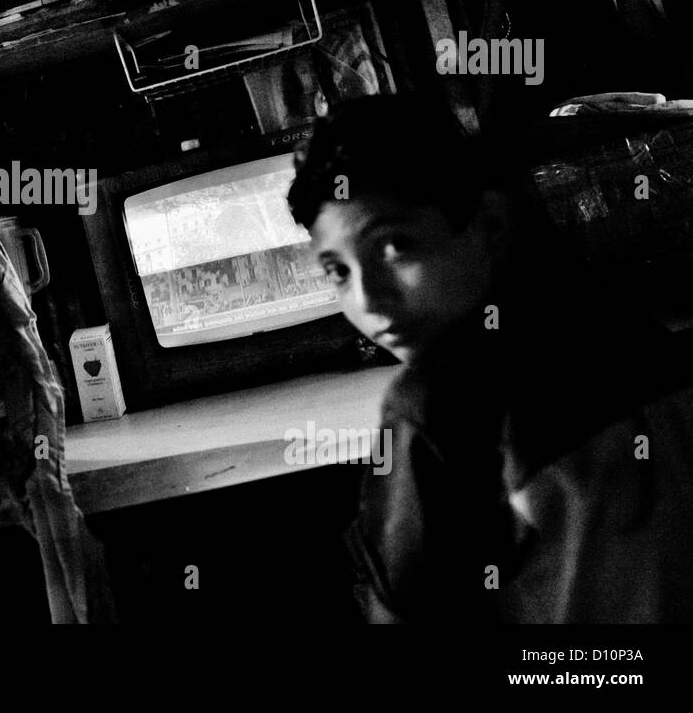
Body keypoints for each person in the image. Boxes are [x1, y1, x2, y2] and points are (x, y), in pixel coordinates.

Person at [286, 93, 693, 622]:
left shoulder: (437, 403)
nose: (367, 299)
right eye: (338, 272)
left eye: (396, 247)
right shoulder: (632, 326)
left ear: (491, 224)